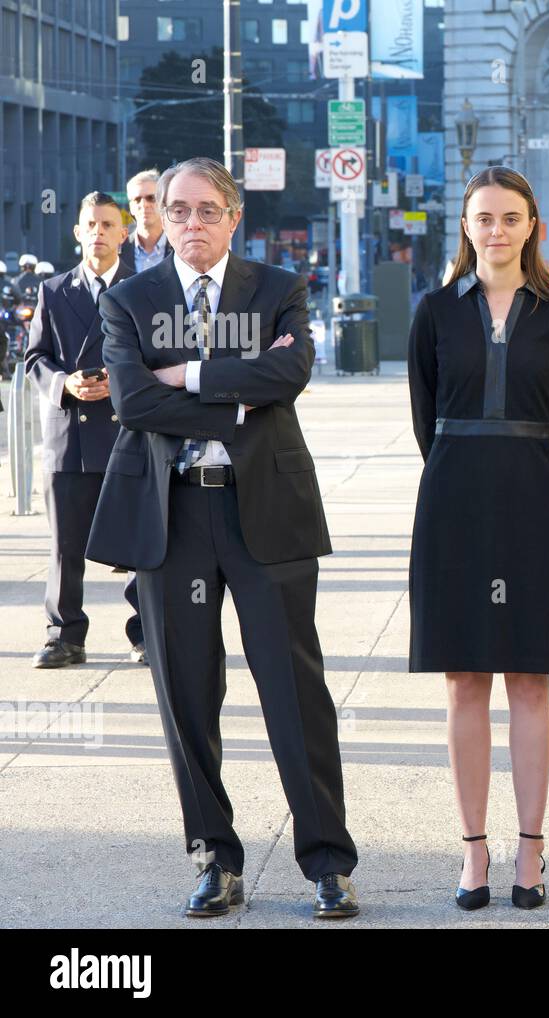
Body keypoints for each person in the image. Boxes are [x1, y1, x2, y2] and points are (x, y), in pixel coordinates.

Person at [86, 156, 361, 919]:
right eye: (178, 210)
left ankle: (328, 862)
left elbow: (291, 374)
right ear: (161, 217)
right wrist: (235, 395)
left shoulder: (278, 290)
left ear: (234, 217)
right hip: (172, 518)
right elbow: (136, 403)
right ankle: (215, 858)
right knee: (187, 694)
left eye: (208, 210)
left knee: (294, 691)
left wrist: (188, 375)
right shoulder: (131, 298)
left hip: (264, 512)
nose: (192, 224)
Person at [407, 166, 549, 912]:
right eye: (483, 218)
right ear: (465, 226)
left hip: (535, 502)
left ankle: (530, 851)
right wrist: (466, 469)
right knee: (463, 680)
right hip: (453, 502)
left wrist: (534, 471)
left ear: (532, 225)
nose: (497, 230)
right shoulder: (434, 311)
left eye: (511, 218)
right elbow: (426, 419)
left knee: (529, 676)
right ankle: (474, 852)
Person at [23, 191, 145, 668]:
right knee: (65, 547)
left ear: (124, 233)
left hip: (126, 433)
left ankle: (147, 632)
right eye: (90, 224)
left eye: (108, 225)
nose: (98, 233)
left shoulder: (145, 288)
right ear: (77, 232)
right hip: (70, 435)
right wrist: (64, 382)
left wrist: (121, 380)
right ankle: (64, 634)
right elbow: (35, 358)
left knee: (141, 541)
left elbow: (162, 359)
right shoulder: (54, 291)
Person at [118, 168, 171, 274]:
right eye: (137, 200)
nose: (144, 205)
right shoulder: (117, 250)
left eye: (151, 198)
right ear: (131, 207)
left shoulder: (179, 247)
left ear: (163, 202)